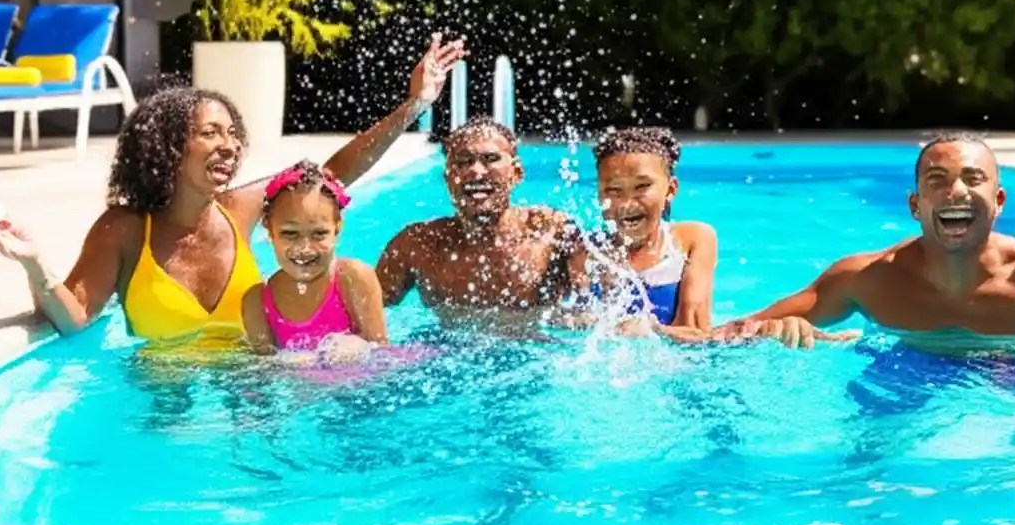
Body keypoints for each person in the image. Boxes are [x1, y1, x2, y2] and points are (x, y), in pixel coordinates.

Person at [0, 34, 468, 342]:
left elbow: (331, 173)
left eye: (233, 134)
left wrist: (413, 106)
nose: (229, 147)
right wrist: (32, 262)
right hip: (162, 411)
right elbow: (74, 316)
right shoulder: (124, 230)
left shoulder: (241, 209)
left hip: (249, 398)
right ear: (167, 147)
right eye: (210, 134)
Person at [714, 131, 1015, 347]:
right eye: (937, 180)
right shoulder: (865, 280)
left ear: (1001, 200)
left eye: (973, 178)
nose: (956, 192)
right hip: (908, 369)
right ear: (914, 205)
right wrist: (774, 332)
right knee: (867, 456)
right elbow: (734, 332)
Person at [374, 116, 581, 335]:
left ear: (516, 173)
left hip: (536, 352)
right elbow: (363, 308)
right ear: (448, 177)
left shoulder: (550, 232)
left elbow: (598, 303)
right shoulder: (418, 245)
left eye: (490, 158)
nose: (476, 172)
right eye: (463, 162)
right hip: (444, 355)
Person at [570, 127, 718, 336]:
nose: (627, 204)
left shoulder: (691, 241)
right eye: (613, 190)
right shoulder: (585, 251)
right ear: (599, 194)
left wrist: (650, 331)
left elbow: (697, 332)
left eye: (642, 186)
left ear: (671, 189)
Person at [240, 160, 386, 358]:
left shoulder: (352, 278)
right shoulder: (256, 302)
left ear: (337, 228)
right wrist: (287, 365)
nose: (304, 248)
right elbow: (260, 377)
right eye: (290, 234)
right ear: (269, 229)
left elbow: (382, 353)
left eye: (318, 234)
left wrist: (359, 348)